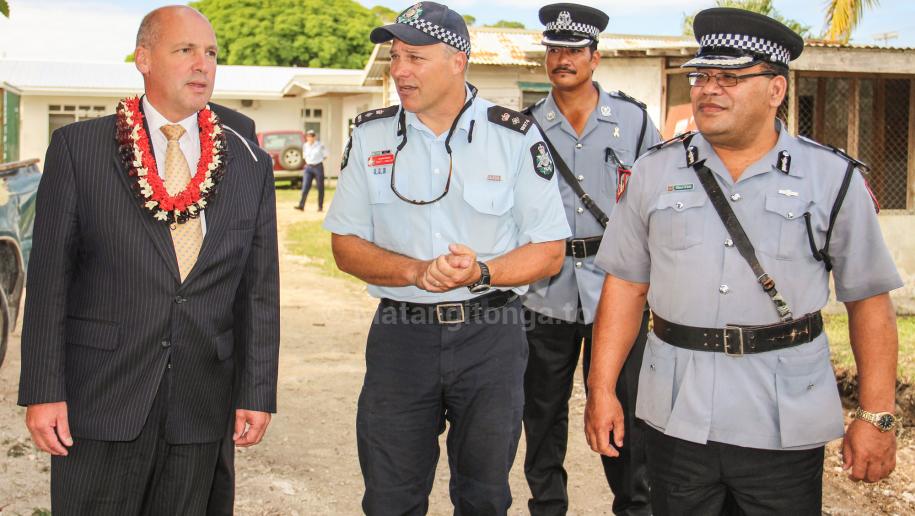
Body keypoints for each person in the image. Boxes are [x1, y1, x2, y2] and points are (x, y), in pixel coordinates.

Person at [584, 7, 902, 515]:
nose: (708, 90)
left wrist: (876, 415)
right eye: (702, 76)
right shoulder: (653, 172)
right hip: (677, 416)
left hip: (782, 420)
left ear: (776, 90)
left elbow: (868, 300)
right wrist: (601, 389)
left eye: (729, 78)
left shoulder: (830, 178)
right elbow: (625, 286)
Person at [17, 6, 280, 514]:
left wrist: (256, 390)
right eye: (185, 50)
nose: (202, 64)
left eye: (211, 53)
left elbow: (259, 288)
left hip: (202, 402)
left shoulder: (248, 161)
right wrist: (43, 391)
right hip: (102, 398)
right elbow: (49, 282)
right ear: (144, 59)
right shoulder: (80, 148)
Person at [323, 2, 571, 513]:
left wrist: (483, 272)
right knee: (389, 497)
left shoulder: (514, 136)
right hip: (401, 336)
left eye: (415, 57)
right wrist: (415, 271)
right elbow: (344, 244)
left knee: (484, 496)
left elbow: (549, 251)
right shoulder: (370, 135)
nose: (400, 70)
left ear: (458, 62)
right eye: (395, 57)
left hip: (491, 335)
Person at [520, 4, 660, 515]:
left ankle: (634, 506)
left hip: (617, 292)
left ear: (594, 57)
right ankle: (548, 506)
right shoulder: (523, 128)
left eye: (574, 50)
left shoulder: (634, 121)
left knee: (627, 413)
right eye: (554, 50)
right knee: (541, 415)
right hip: (544, 294)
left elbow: (658, 202)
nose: (563, 59)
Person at [295, 129, 329, 212]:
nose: (310, 138)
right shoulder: (305, 145)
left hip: (318, 166)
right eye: (308, 136)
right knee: (305, 187)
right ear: (307, 137)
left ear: (314, 137)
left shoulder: (320, 145)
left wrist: (318, 161)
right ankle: (301, 205)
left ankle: (320, 207)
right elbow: (304, 156)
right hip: (308, 167)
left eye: (312, 136)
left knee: (320, 187)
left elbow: (326, 155)